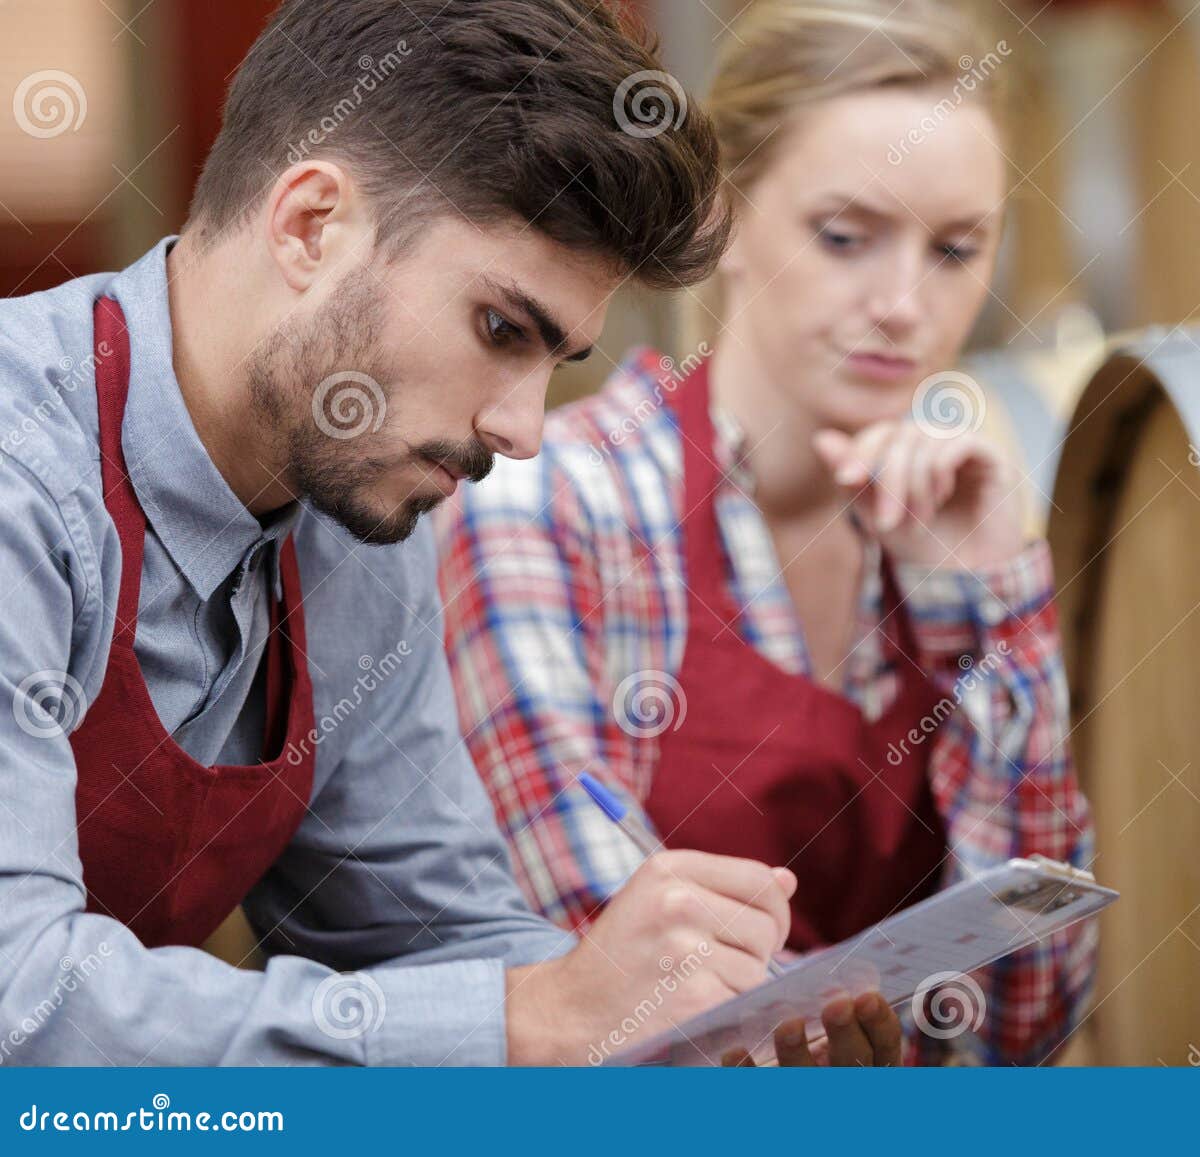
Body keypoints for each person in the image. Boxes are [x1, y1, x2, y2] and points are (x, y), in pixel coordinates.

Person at [0, 0, 900, 1067]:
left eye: (554, 361)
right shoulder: (22, 467)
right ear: (311, 226)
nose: (522, 429)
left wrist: (684, 1029)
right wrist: (534, 1017)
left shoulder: (354, 522)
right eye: (500, 329)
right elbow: (21, 998)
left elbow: (438, 937)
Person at [436, 0, 1096, 1065]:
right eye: (845, 236)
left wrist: (995, 591)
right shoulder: (555, 507)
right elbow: (611, 991)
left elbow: (1031, 1013)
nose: (902, 303)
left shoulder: (948, 537)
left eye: (954, 248)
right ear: (728, 217)